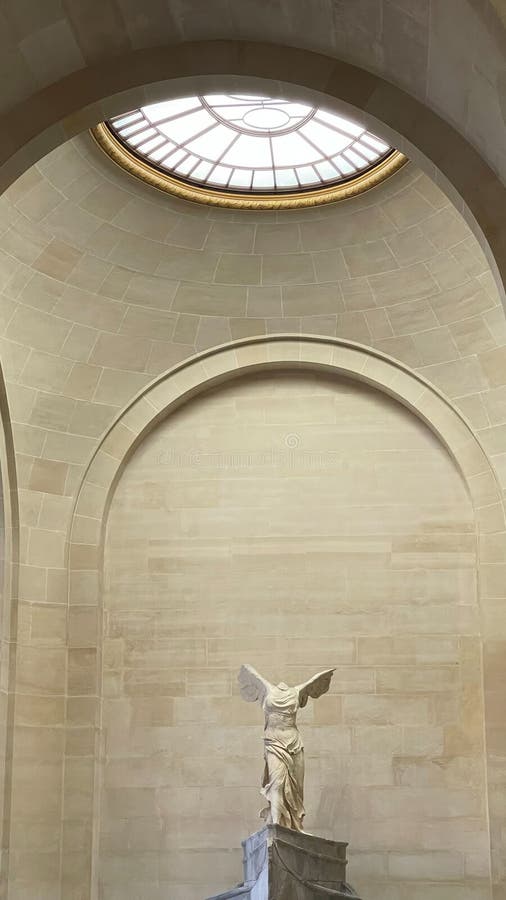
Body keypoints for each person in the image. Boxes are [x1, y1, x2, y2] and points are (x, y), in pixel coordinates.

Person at [238, 664, 335, 832]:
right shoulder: (266, 688)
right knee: (277, 782)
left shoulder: (297, 692)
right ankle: (276, 825)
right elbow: (248, 671)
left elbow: (317, 682)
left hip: (293, 742)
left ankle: (293, 824)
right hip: (274, 741)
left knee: (295, 787)